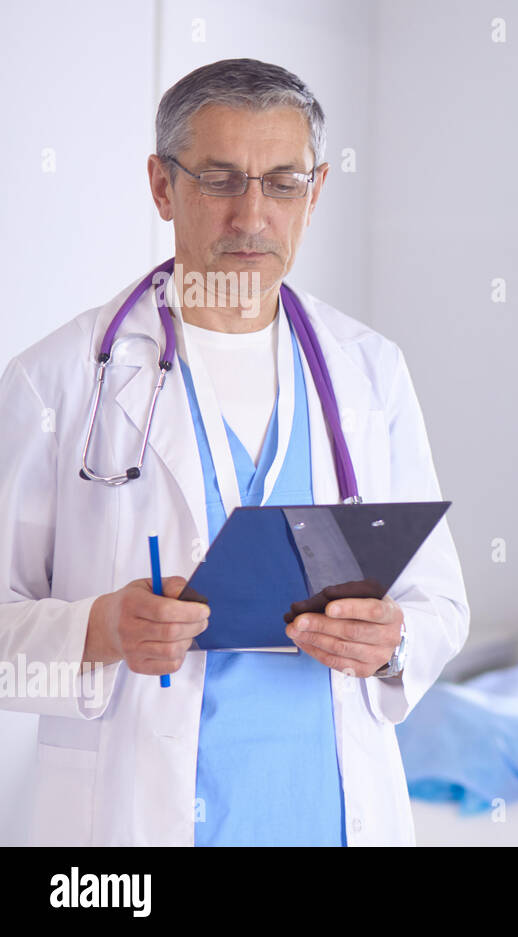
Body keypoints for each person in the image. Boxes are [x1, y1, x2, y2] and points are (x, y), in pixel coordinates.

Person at [0, 59, 469, 845]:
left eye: (282, 182)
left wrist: (392, 643)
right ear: (161, 186)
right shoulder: (57, 379)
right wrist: (100, 630)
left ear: (315, 193)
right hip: (133, 824)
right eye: (220, 180)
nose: (252, 216)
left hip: (332, 815)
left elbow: (440, 603)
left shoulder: (369, 370)